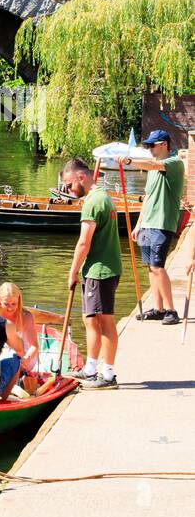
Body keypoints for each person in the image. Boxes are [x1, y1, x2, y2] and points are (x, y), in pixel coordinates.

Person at [61, 157, 122, 389]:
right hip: (106, 267)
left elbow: (83, 243)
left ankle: (107, 374)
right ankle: (90, 368)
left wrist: (72, 271)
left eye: (69, 184)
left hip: (100, 270)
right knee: (91, 319)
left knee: (104, 320)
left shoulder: (92, 203)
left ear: (81, 177)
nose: (68, 189)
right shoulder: (104, 197)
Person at [130, 131, 186, 324]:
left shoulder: (174, 163)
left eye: (152, 146)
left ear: (163, 144)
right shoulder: (152, 170)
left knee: (157, 266)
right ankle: (158, 308)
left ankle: (172, 311)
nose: (149, 149)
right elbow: (148, 197)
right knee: (150, 268)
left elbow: (154, 164)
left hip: (162, 223)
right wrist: (138, 224)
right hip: (147, 224)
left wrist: (129, 161)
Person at [0, 282, 43, 391]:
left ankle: (13, 383)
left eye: (14, 304)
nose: (10, 308)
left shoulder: (26, 316)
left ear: (19, 301)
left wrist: (26, 359)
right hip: (2, 351)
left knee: (11, 361)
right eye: (6, 304)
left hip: (25, 354)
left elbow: (34, 346)